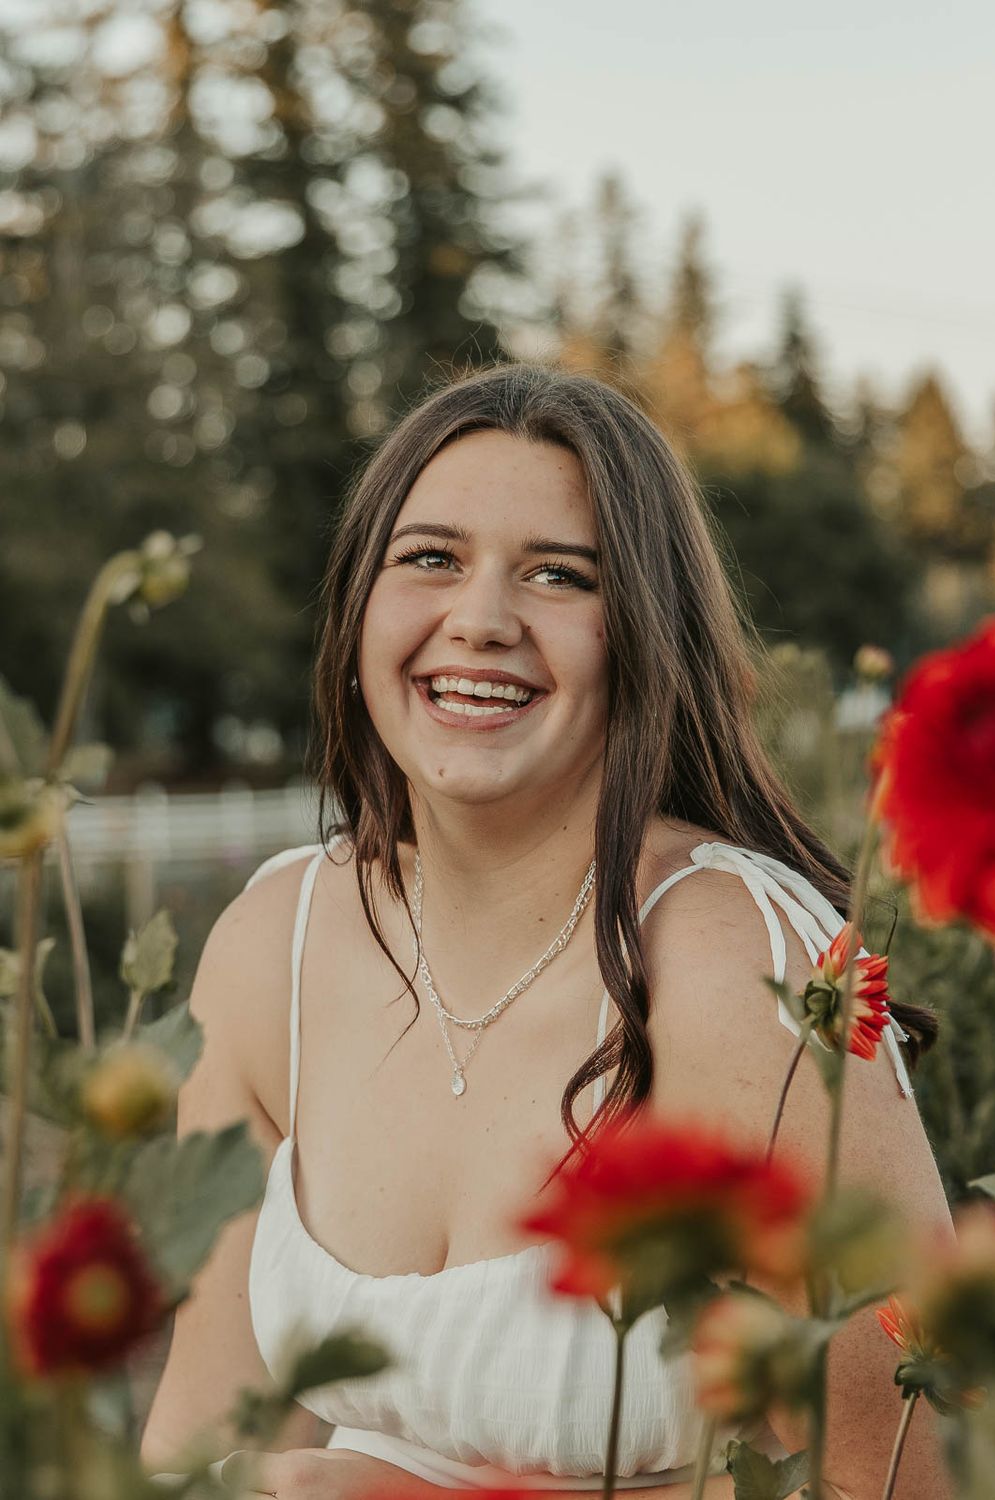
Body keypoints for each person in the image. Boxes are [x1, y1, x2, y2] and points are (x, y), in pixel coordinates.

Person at [141, 363, 953, 1499]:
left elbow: (899, 1481)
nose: (478, 621)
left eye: (559, 576)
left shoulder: (740, 968)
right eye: (429, 558)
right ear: (358, 606)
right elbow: (195, 1422)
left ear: (642, 635)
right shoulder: (271, 944)